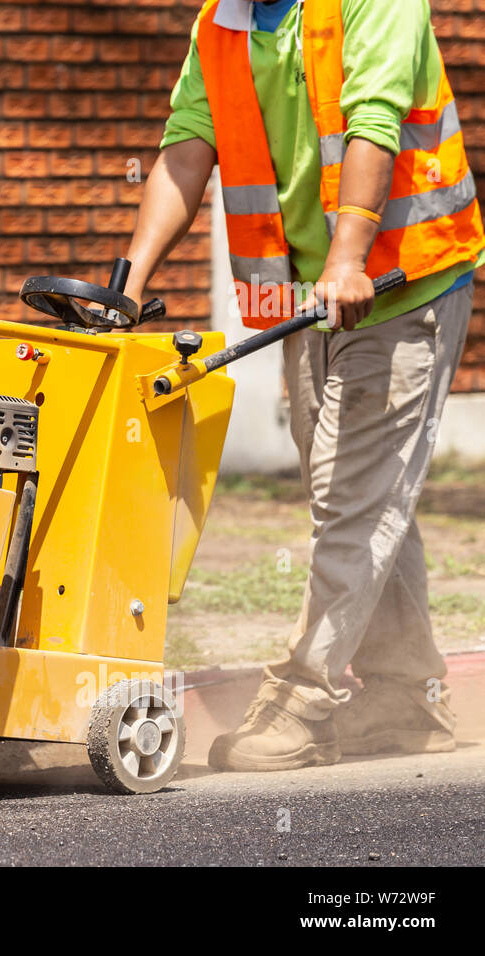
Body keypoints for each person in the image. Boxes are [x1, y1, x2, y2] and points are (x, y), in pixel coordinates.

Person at [121, 0, 485, 771]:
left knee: (355, 495)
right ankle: (405, 696)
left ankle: (304, 698)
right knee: (360, 494)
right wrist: (129, 285)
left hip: (401, 279)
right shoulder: (222, 22)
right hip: (312, 301)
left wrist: (348, 255)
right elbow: (189, 148)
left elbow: (373, 124)